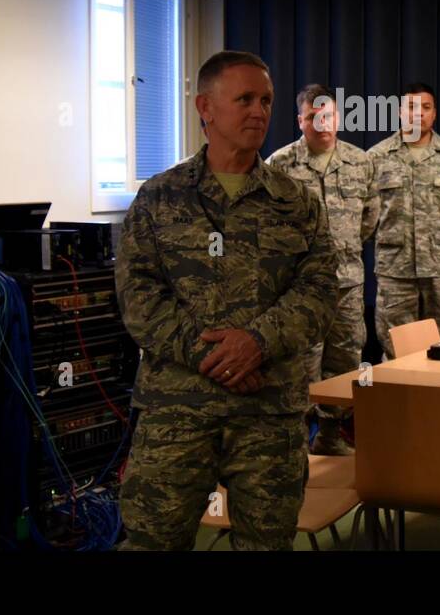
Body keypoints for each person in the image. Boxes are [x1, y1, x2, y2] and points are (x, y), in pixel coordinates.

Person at [117, 50, 336, 550]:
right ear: (205, 107)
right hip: (177, 409)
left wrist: (257, 343)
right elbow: (138, 298)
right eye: (244, 99)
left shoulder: (297, 202)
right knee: (151, 542)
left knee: (266, 544)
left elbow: (321, 292)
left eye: (266, 100)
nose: (258, 111)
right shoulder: (159, 198)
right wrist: (210, 354)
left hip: (268, 413)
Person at [266, 84, 379, 454]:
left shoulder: (361, 162)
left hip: (346, 284)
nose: (324, 123)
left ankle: (331, 437)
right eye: (315, 116)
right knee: (300, 366)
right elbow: (267, 224)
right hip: (299, 289)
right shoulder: (280, 165)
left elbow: (370, 218)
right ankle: (296, 445)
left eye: (329, 115)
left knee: (346, 363)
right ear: (301, 120)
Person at [368, 84, 440, 356]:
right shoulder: (375, 157)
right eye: (412, 107)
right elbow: (365, 215)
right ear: (399, 113)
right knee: (396, 347)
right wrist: (390, 240)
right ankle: (398, 398)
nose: (418, 114)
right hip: (395, 269)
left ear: (435, 113)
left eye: (425, 108)